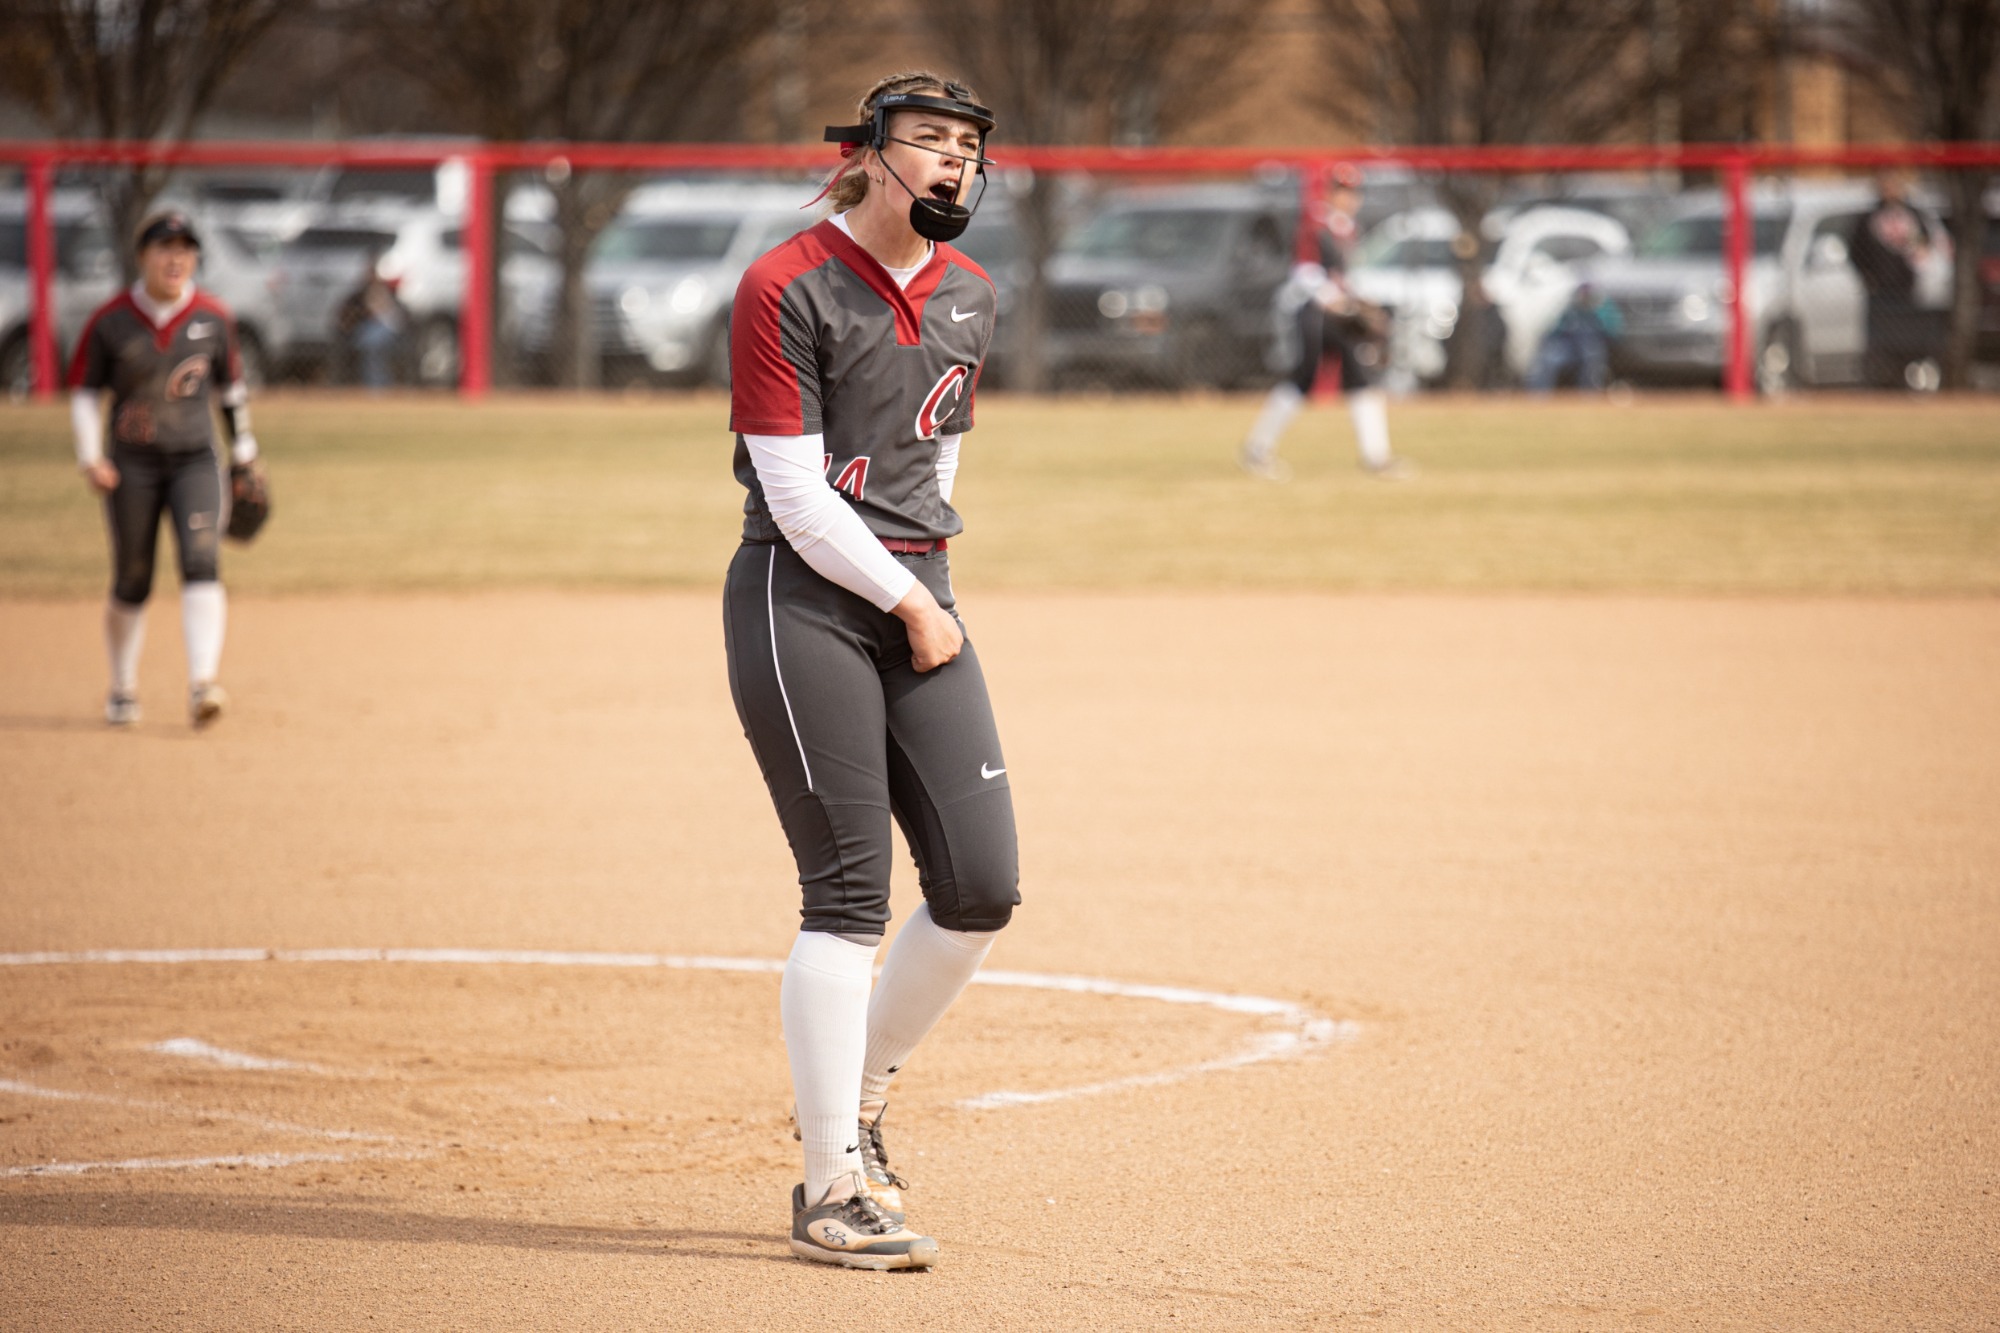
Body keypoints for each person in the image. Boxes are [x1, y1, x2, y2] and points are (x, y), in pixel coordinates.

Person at [724, 71, 1016, 1271]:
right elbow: (793, 492)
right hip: (806, 599)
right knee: (847, 895)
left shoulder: (973, 296)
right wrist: (904, 599)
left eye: (968, 148)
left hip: (917, 596)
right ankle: (829, 1181)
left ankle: (865, 1097)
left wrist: (927, 590)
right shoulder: (783, 283)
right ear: (873, 156)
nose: (952, 164)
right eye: (929, 143)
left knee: (980, 885)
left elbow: (932, 464)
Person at [68, 210, 263, 728]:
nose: (175, 258)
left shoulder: (213, 317)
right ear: (143, 256)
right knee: (133, 578)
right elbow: (86, 394)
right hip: (131, 463)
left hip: (195, 458)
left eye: (185, 248)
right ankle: (122, 686)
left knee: (202, 561)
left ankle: (203, 683)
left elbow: (230, 389)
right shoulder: (111, 320)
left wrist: (244, 450)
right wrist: (91, 456)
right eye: (164, 247)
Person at [1238, 164, 1408, 481]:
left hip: (1338, 316)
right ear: (1331, 193)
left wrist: (1359, 301)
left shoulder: (1347, 228)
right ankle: (1257, 449)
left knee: (1361, 379)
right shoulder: (1315, 224)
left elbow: (1345, 278)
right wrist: (1337, 300)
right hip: (1312, 313)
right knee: (1302, 380)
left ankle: (1377, 456)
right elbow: (1304, 274)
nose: (1349, 198)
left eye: (1354, 192)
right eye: (1342, 191)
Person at [1847, 172, 1940, 389]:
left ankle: (1911, 379)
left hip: (1907, 288)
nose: (1889, 189)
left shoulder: (1913, 214)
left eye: (1893, 184)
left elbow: (1925, 244)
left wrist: (1918, 258)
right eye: (1884, 184)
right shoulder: (1868, 217)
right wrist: (1866, 275)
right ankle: (1881, 382)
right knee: (1879, 341)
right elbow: (1855, 250)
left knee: (1909, 338)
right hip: (1879, 290)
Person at [1526, 281, 1623, 393]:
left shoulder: (1602, 309)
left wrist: (1597, 313)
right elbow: (1552, 332)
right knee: (1548, 358)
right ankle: (1538, 394)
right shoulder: (1570, 310)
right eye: (1582, 295)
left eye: (1587, 296)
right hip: (1569, 349)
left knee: (1592, 355)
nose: (1584, 299)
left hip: (1590, 349)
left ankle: (1589, 394)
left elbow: (1614, 333)